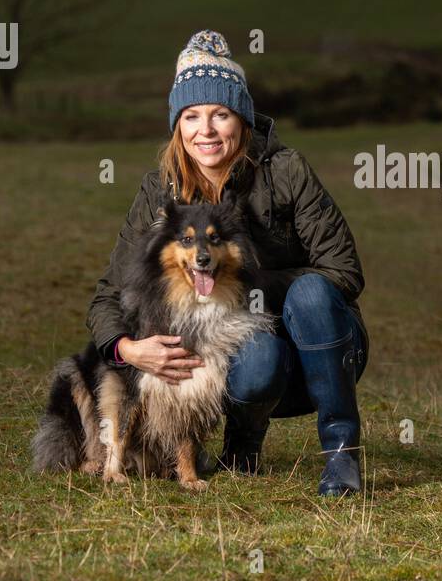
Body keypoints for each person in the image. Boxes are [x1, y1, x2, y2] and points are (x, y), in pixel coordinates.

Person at [85, 30, 368, 496]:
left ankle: (340, 456)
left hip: (321, 351)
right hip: (243, 361)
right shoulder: (158, 190)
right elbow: (109, 293)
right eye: (192, 116)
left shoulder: (287, 170)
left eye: (221, 114)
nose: (207, 130)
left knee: (313, 291)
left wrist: (243, 285)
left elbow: (345, 270)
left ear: (243, 117)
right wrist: (127, 350)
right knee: (258, 356)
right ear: (178, 124)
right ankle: (242, 447)